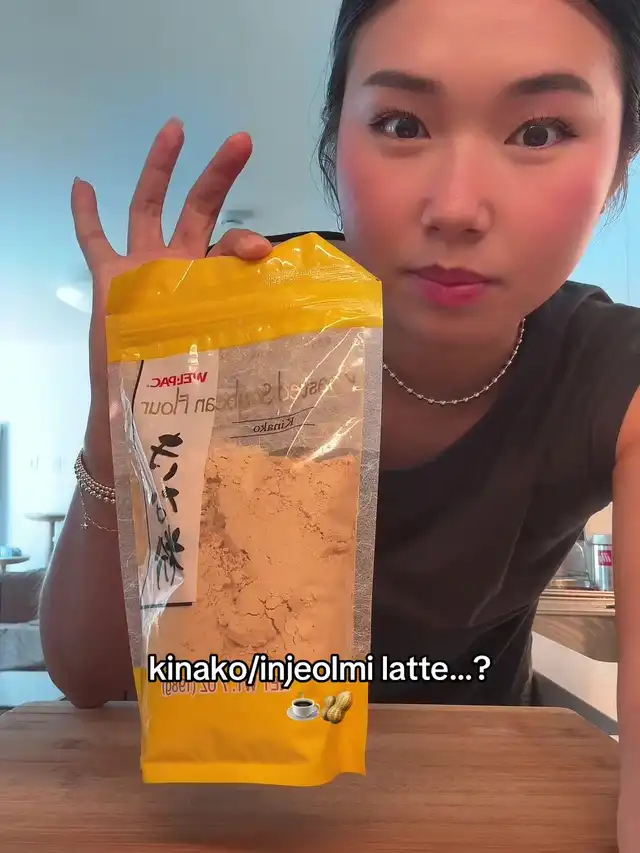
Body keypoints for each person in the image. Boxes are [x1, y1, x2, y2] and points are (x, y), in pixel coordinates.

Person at [40, 0, 640, 846]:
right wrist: (124, 416)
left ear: (618, 167)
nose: (457, 207)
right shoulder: (235, 326)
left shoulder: (615, 370)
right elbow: (88, 676)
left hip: (471, 786)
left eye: (539, 132)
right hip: (233, 797)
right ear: (336, 144)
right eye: (402, 123)